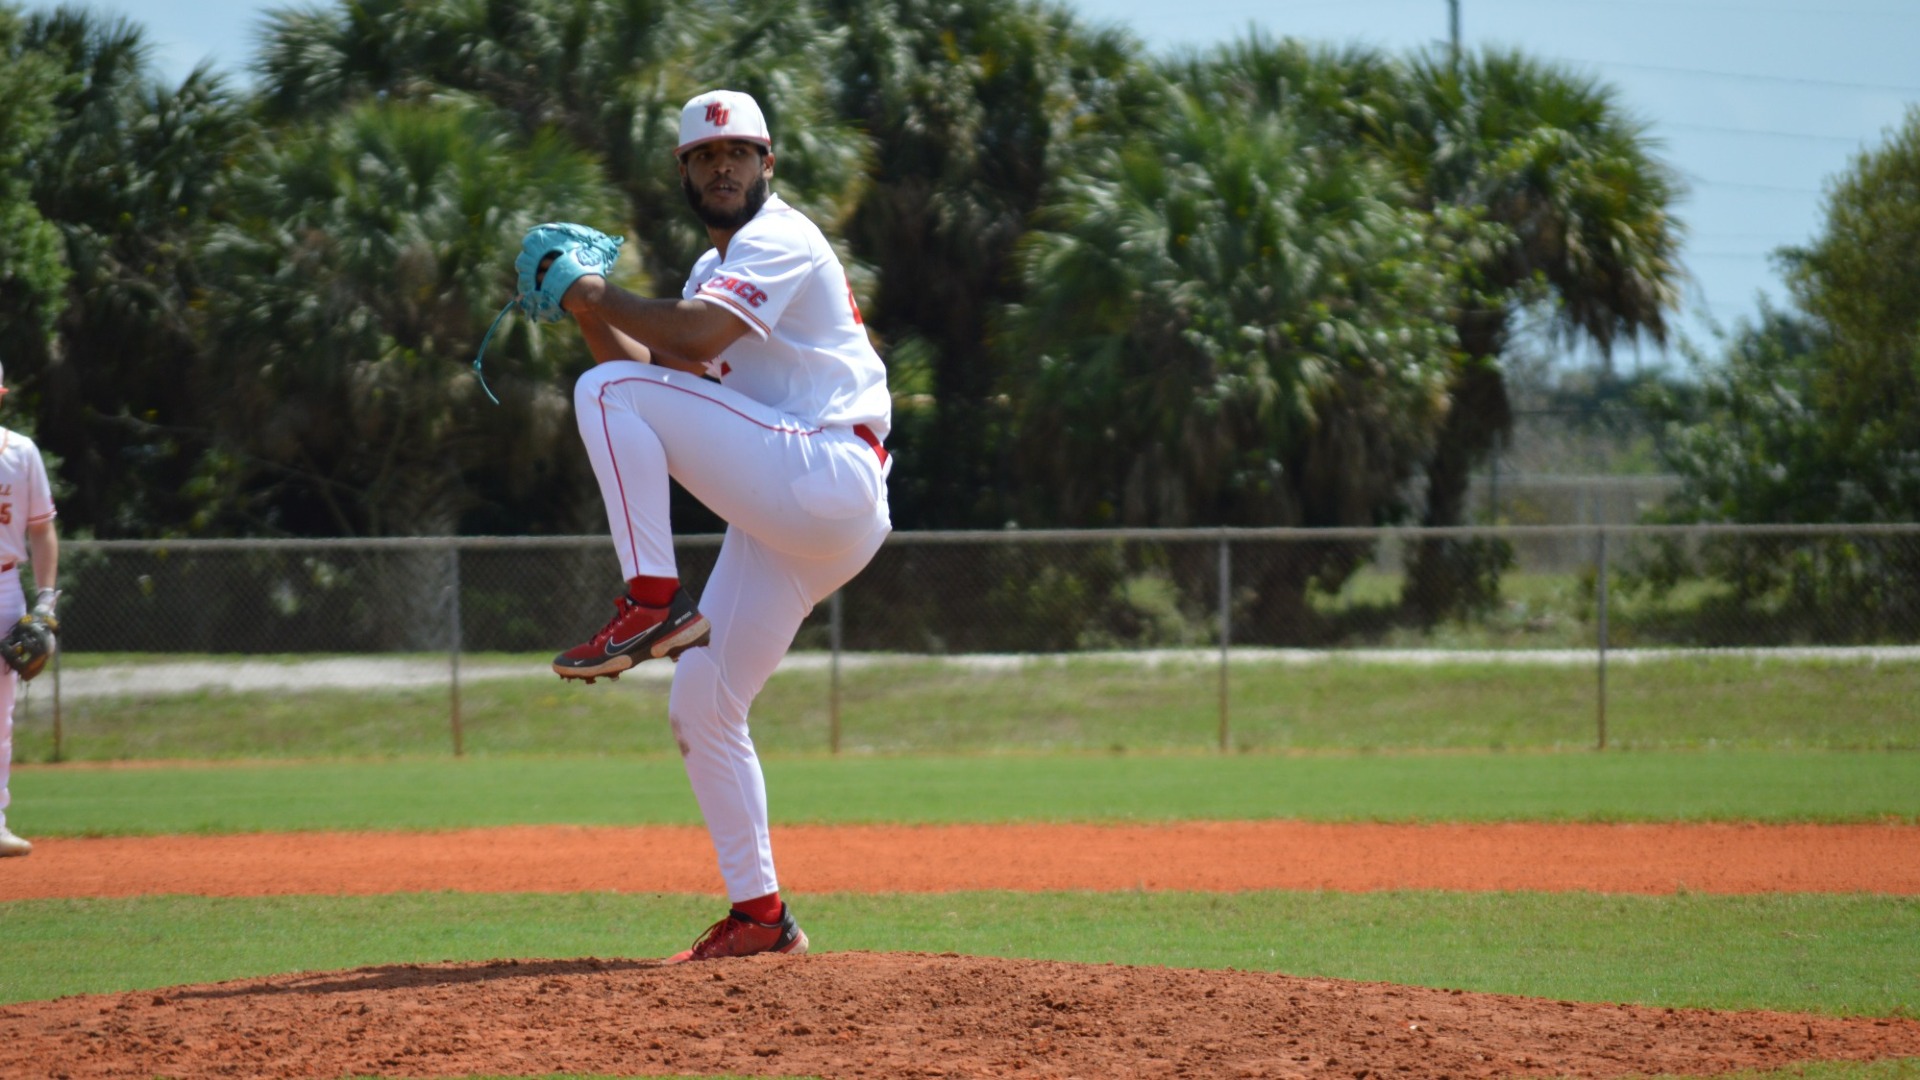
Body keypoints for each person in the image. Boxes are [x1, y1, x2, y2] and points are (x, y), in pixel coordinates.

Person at [535, 89, 891, 962]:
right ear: (684, 174)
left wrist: (596, 286)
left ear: (768, 164)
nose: (722, 167)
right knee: (702, 700)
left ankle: (652, 600)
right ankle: (763, 918)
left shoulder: (782, 236)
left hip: (828, 470)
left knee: (602, 393)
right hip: (797, 510)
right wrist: (588, 313)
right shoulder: (708, 273)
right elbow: (663, 371)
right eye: (705, 156)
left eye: (738, 153)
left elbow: (690, 344)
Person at [0, 361, 59, 858]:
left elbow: (40, 529)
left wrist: (45, 599)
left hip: (3, 588)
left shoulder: (21, 453)